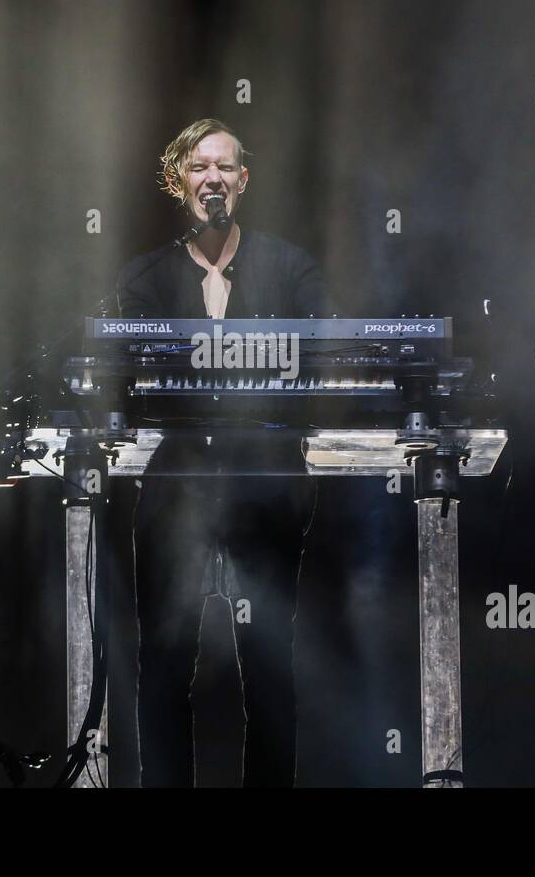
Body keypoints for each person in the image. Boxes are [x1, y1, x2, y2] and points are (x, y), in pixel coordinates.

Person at [117, 119, 332, 786]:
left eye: (225, 168)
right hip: (177, 488)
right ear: (179, 179)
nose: (213, 179)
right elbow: (129, 378)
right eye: (199, 167)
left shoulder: (291, 267)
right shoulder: (145, 276)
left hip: (265, 484)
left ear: (243, 180)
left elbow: (329, 355)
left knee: (270, 667)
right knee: (164, 667)